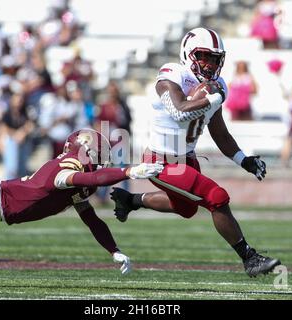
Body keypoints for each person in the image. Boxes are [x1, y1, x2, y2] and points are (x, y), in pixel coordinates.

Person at [110, 27, 281, 278]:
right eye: (204, 56)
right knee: (217, 197)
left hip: (188, 159)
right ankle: (250, 258)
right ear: (188, 54)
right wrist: (212, 99)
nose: (210, 64)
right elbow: (179, 111)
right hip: (160, 161)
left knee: (187, 209)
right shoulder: (171, 74)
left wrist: (244, 160)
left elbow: (219, 132)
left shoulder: (217, 85)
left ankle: (131, 200)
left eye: (215, 58)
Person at [0, 128, 164, 275]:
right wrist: (130, 171)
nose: (100, 160)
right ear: (83, 152)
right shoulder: (65, 172)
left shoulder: (74, 175)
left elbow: (90, 217)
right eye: (96, 154)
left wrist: (113, 250)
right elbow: (92, 177)